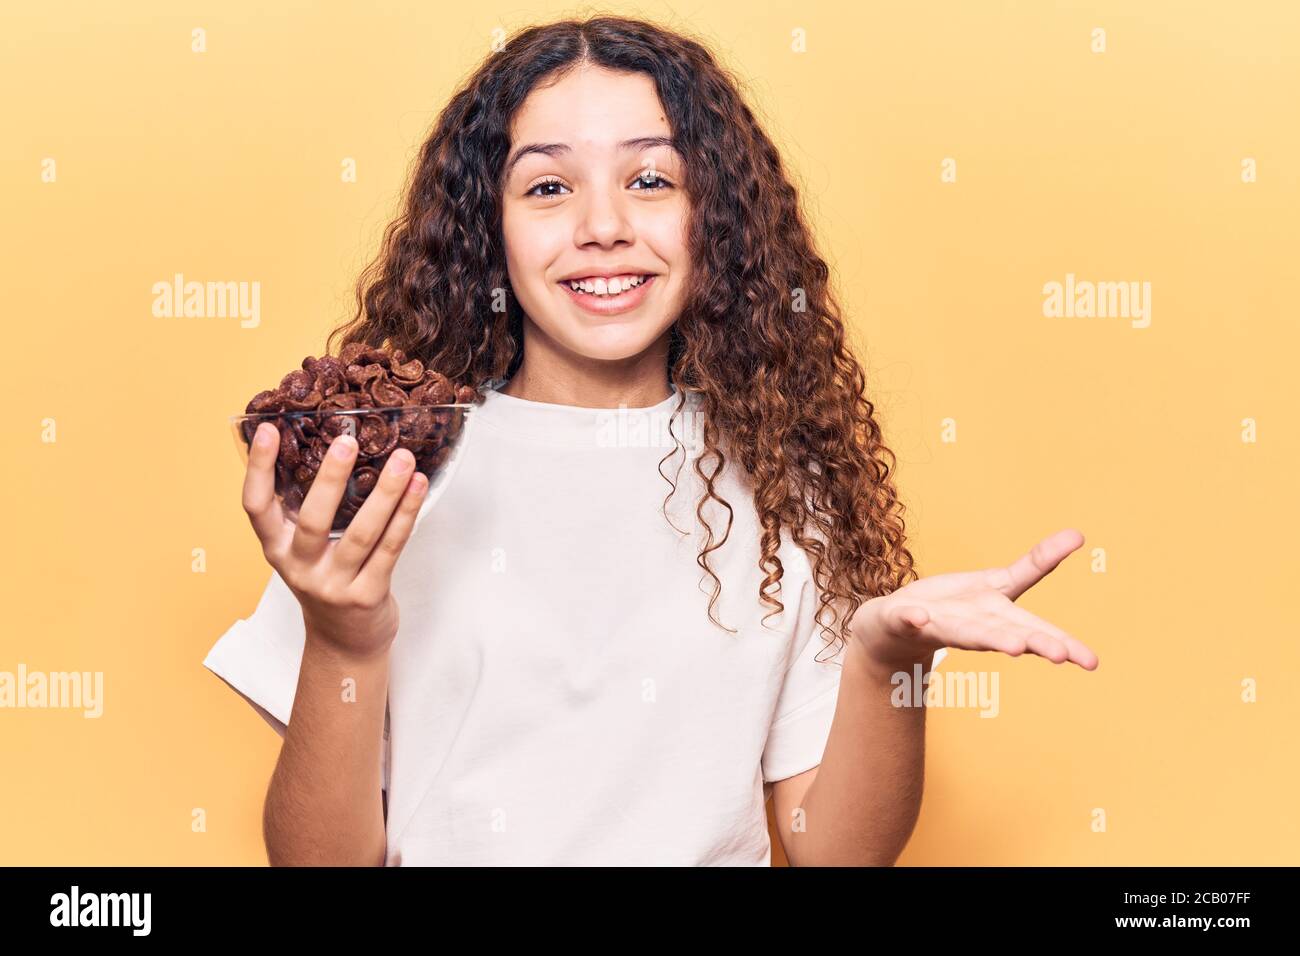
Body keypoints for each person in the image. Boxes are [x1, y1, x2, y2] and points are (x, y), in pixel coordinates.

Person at [204, 15, 1099, 867]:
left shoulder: (783, 482)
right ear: (490, 228)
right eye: (549, 186)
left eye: (651, 180)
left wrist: (887, 662)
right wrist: (344, 641)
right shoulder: (394, 474)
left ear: (715, 219)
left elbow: (835, 849)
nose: (604, 227)